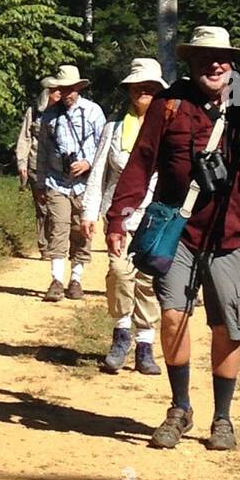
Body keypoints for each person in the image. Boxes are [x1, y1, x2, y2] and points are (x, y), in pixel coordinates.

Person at [107, 26, 240, 453]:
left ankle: (223, 418)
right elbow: (141, 162)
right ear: (190, 62)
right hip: (178, 232)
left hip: (233, 235)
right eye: (205, 57)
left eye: (223, 57)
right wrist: (118, 217)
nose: (215, 64)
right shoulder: (169, 105)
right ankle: (180, 407)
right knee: (173, 316)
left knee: (228, 326)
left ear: (232, 63)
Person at [81, 57, 166, 376]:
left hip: (156, 215)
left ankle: (145, 345)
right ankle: (121, 335)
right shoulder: (114, 128)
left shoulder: (169, 128)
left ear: (159, 91)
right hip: (119, 213)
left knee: (148, 278)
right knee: (119, 272)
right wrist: (89, 212)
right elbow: (99, 172)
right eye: (137, 87)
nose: (142, 92)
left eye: (149, 87)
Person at [35, 65, 106, 302]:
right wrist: (41, 182)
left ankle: (76, 279)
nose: (66, 93)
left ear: (78, 88)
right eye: (62, 89)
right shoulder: (49, 115)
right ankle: (56, 280)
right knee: (58, 226)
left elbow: (102, 147)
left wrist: (87, 163)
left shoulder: (94, 112)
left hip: (86, 184)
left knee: (82, 230)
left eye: (70, 89)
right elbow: (43, 150)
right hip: (57, 181)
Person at [15, 77, 59, 259]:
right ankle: (44, 246)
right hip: (35, 166)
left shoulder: (64, 113)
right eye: (56, 90)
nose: (59, 93)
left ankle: (57, 243)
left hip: (57, 169)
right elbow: (24, 138)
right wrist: (21, 163)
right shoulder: (33, 113)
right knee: (42, 207)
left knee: (56, 206)